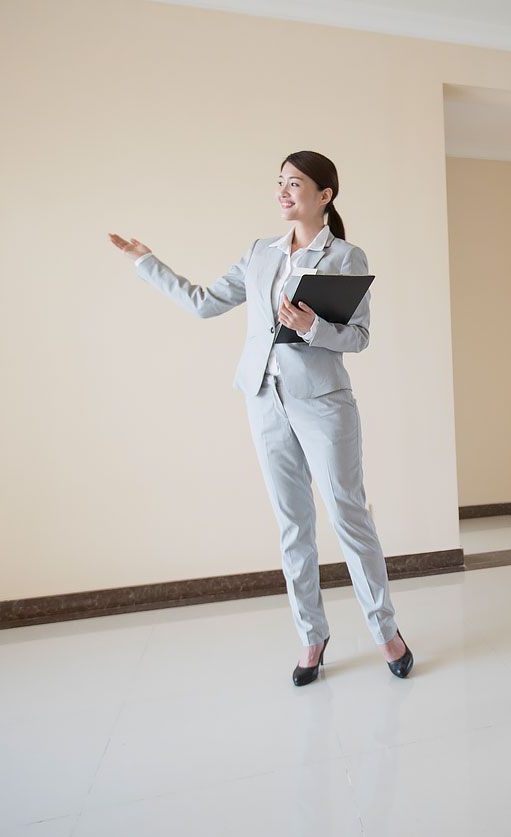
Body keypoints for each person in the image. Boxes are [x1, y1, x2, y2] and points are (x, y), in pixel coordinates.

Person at [107, 151, 413, 686]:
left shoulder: (345, 255)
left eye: (294, 184)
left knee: (348, 515)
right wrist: (145, 262)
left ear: (325, 195)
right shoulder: (259, 254)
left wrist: (314, 326)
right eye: (279, 183)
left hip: (323, 401)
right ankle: (311, 636)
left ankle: (384, 629)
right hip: (262, 397)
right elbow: (203, 303)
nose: (283, 192)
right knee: (293, 523)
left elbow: (359, 337)